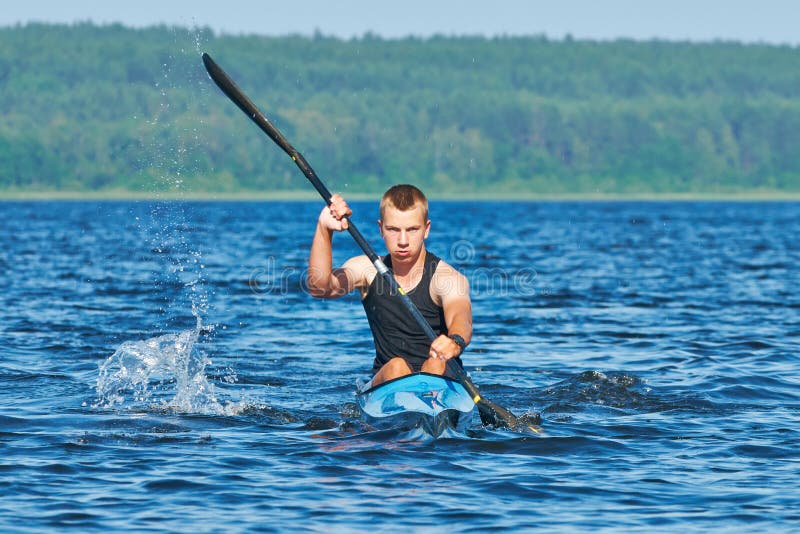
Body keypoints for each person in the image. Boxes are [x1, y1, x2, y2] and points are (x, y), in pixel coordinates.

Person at [307, 184, 472, 386]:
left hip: (442, 377)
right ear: (381, 229)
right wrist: (324, 229)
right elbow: (320, 288)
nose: (402, 240)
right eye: (393, 229)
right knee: (397, 366)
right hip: (388, 380)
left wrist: (455, 342)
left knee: (435, 363)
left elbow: (461, 317)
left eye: (412, 229)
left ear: (426, 229)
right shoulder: (366, 270)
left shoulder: (447, 278)